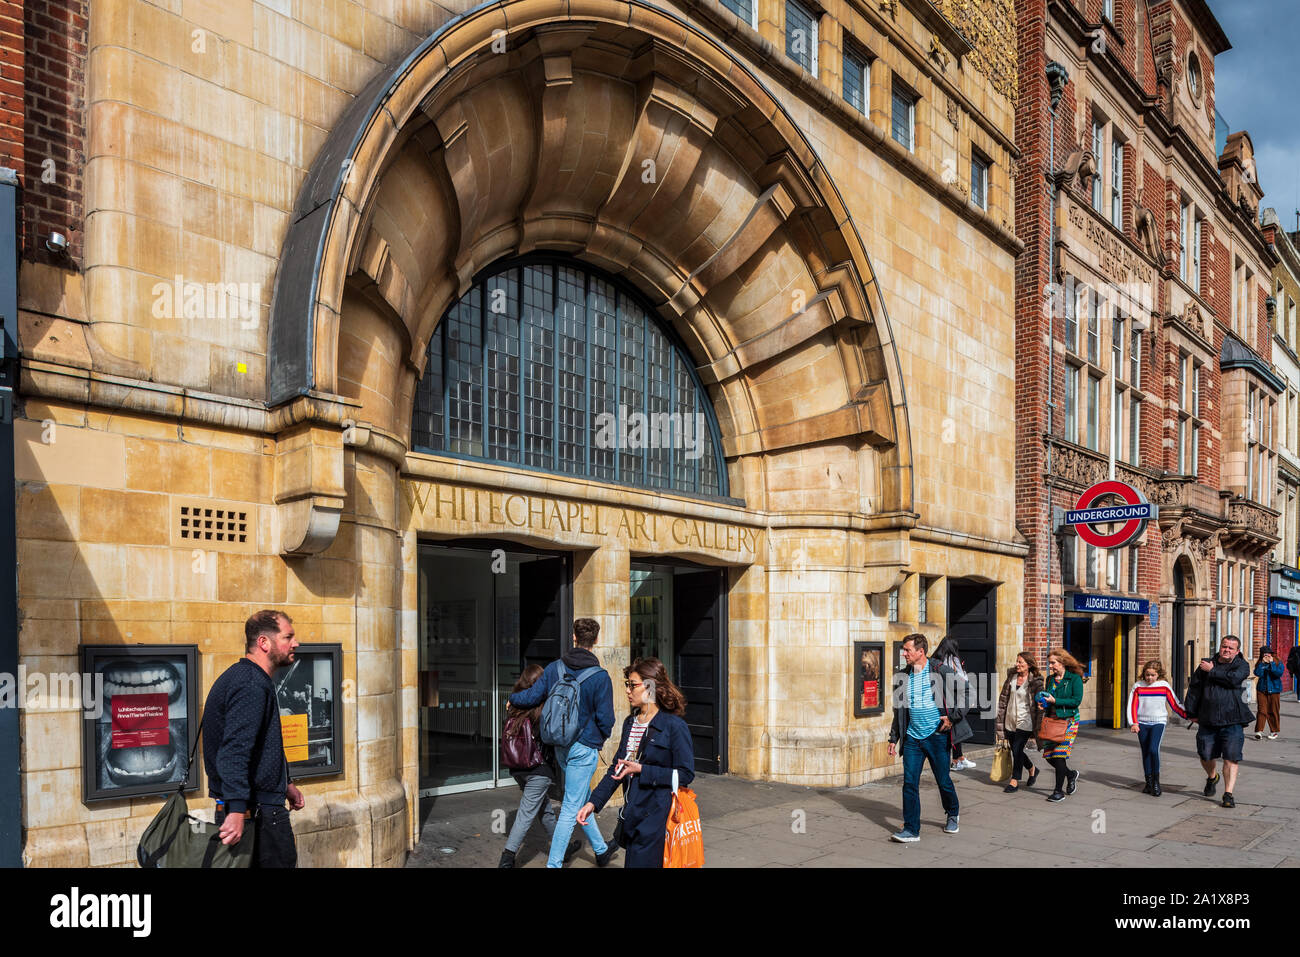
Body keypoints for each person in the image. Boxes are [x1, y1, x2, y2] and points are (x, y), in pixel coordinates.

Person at [507, 617, 617, 868]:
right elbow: (606, 719)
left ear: (574, 638)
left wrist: (513, 699)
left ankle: (600, 850)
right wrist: (597, 740)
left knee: (581, 798)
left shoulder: (555, 668)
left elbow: (533, 696)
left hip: (560, 746)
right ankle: (554, 865)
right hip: (584, 748)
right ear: (596, 640)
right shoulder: (600, 677)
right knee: (570, 808)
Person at [203, 609, 306, 867]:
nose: (296, 643)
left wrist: (286, 784)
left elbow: (261, 745)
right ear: (264, 642)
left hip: (257, 808)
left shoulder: (244, 677)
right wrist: (238, 810)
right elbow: (234, 751)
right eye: (288, 637)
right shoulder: (250, 684)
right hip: (257, 814)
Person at [578, 657, 695, 868]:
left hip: (658, 817)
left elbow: (686, 774)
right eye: (627, 685)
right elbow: (617, 768)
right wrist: (593, 803)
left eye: (633, 685)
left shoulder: (673, 726)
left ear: (650, 686)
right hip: (632, 815)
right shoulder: (630, 723)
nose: (628, 691)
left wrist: (643, 770)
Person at [886, 633, 970, 842]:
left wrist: (952, 718)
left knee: (943, 780)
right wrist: (893, 737)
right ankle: (912, 829)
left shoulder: (939, 670)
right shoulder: (904, 676)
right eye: (904, 650)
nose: (904, 653)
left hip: (937, 736)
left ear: (920, 651)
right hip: (913, 738)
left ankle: (952, 813)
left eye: (907, 650)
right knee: (909, 783)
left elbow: (966, 691)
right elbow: (900, 711)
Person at [499, 664, 581, 868]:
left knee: (543, 809)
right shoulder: (543, 707)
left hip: (518, 768)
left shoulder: (514, 705)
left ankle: (564, 848)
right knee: (526, 813)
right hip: (538, 768)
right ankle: (507, 858)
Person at [1190, 635, 1254, 809]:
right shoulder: (1205, 664)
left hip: (1233, 719)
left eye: (1230, 648)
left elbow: (1234, 680)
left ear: (1237, 651)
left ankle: (1228, 794)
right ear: (1220, 646)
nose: (1226, 650)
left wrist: (1212, 671)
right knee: (1205, 754)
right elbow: (1194, 689)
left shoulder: (1241, 665)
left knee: (1231, 757)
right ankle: (1212, 777)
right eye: (1224, 646)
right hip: (1208, 718)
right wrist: (1191, 712)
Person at [1125, 659, 1186, 797]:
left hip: (1158, 722)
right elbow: (1132, 705)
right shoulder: (1138, 686)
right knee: (1145, 752)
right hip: (1141, 723)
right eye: (1147, 675)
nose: (1149, 678)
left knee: (1153, 749)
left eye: (1152, 675)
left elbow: (1175, 704)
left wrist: (1188, 715)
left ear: (1158, 674)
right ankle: (1148, 782)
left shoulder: (1164, 686)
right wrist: (1133, 722)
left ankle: (1157, 783)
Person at [1040, 648, 1085, 804]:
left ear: (1063, 662)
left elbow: (1076, 701)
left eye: (1053, 663)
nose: (1051, 666)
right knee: (1048, 755)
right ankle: (1070, 774)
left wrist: (1055, 701)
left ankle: (1058, 791)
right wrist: (1043, 704)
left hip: (1069, 720)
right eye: (1050, 663)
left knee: (1059, 755)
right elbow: (1048, 698)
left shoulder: (1074, 679)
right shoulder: (1050, 680)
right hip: (1052, 720)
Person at [995, 651, 1044, 793]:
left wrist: (1038, 724)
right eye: (1017, 661)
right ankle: (1032, 769)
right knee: (1016, 749)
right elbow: (1003, 699)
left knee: (1017, 748)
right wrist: (1000, 718)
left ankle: (1014, 780)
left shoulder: (1035, 681)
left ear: (1029, 665)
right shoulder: (1012, 677)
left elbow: (1040, 703)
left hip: (1025, 720)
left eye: (1020, 662)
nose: (1017, 664)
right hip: (1010, 719)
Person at [934, 636, 975, 771]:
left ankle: (959, 758)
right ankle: (956, 760)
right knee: (954, 729)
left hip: (945, 699)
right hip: (953, 699)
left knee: (956, 728)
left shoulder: (937, 660)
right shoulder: (950, 660)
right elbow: (962, 679)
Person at [1253, 646, 1283, 740]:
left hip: (1274, 689)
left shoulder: (1278, 662)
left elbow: (1278, 673)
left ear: (1272, 654)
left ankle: (1274, 731)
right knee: (1262, 711)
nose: (1267, 655)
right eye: (1264, 654)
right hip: (1262, 690)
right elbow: (1257, 673)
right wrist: (1262, 664)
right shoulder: (1260, 663)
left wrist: (1272, 663)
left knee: (1273, 711)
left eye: (1268, 653)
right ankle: (1259, 731)